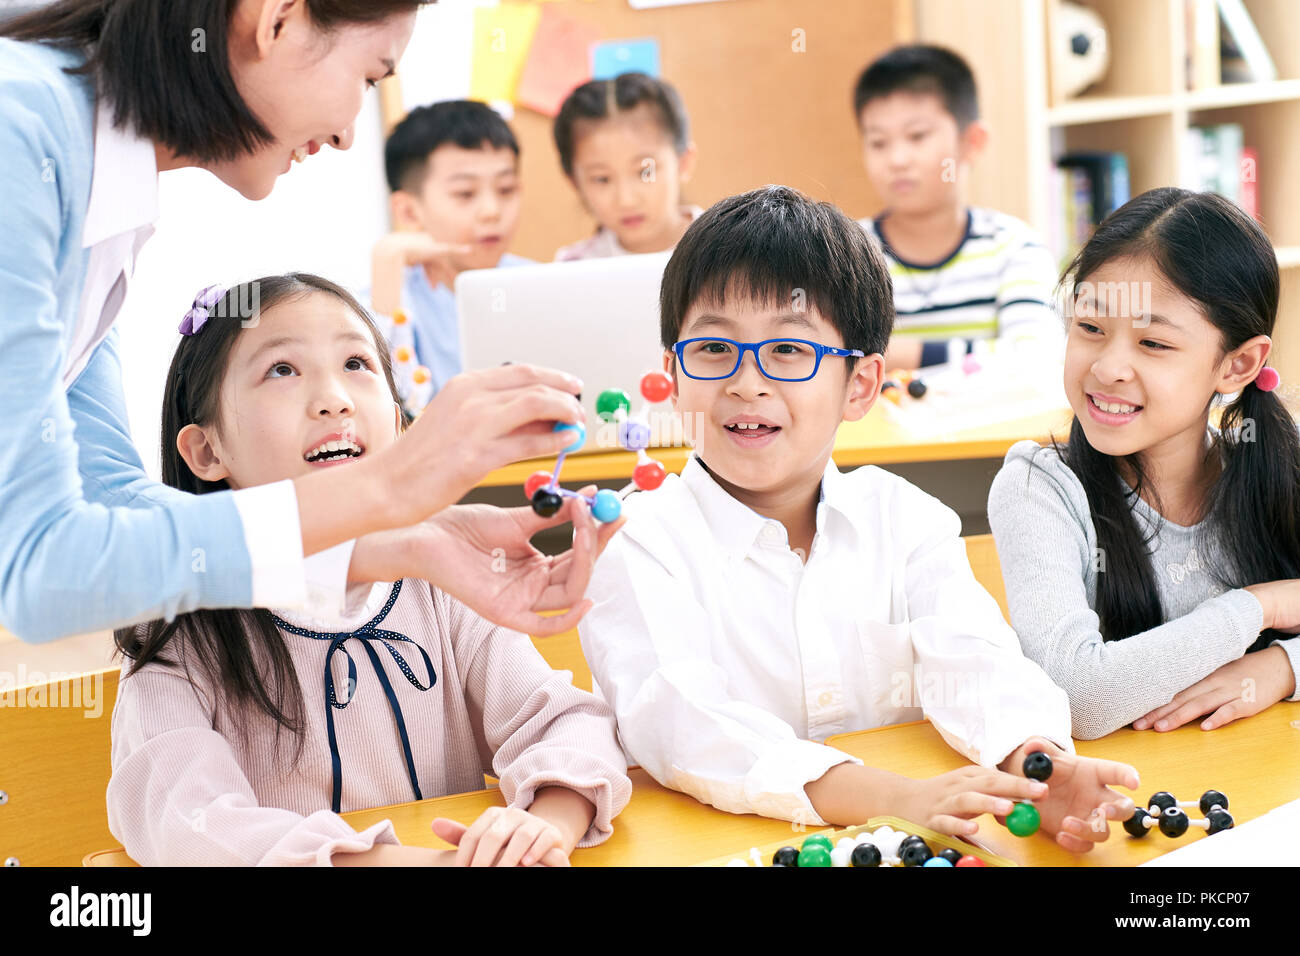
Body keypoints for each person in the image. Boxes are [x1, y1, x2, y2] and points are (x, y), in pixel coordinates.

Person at [0, 0, 594, 644]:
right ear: (277, 18)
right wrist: (384, 488)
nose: (347, 134)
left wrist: (407, 545)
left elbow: (108, 495)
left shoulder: (98, 198)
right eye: (369, 77)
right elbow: (46, 572)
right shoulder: (18, 136)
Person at [579, 185, 1138, 852]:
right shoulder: (637, 541)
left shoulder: (905, 520)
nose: (746, 382)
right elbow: (685, 725)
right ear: (672, 375)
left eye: (789, 351)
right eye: (713, 349)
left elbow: (978, 660)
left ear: (862, 385)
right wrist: (894, 798)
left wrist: (1037, 768)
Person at [108, 273, 632, 866]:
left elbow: (564, 722)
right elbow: (184, 824)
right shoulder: (180, 637)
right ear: (208, 452)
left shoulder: (437, 587)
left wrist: (546, 826)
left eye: (356, 362)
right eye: (282, 369)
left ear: (402, 421)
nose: (334, 398)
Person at [989, 187, 1300, 740]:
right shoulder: (1039, 488)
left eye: (1153, 343)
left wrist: (1284, 667)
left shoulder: (1284, 459)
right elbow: (1076, 697)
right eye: (1090, 327)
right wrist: (1260, 605)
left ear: (1238, 364)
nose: (1108, 367)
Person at [852, 44, 1061, 371]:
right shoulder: (844, 255)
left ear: (972, 142)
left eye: (917, 136)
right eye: (878, 142)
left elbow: (1036, 358)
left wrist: (901, 355)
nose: (896, 160)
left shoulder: (1013, 246)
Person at [369, 100, 531, 393]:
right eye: (465, 193)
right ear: (408, 212)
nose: (491, 211)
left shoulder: (538, 283)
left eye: (506, 189)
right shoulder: (390, 294)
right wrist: (387, 260)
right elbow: (385, 401)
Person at [552, 72, 701, 261]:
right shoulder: (573, 267)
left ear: (683, 162)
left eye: (645, 171)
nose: (626, 200)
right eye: (602, 179)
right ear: (575, 182)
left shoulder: (730, 250)